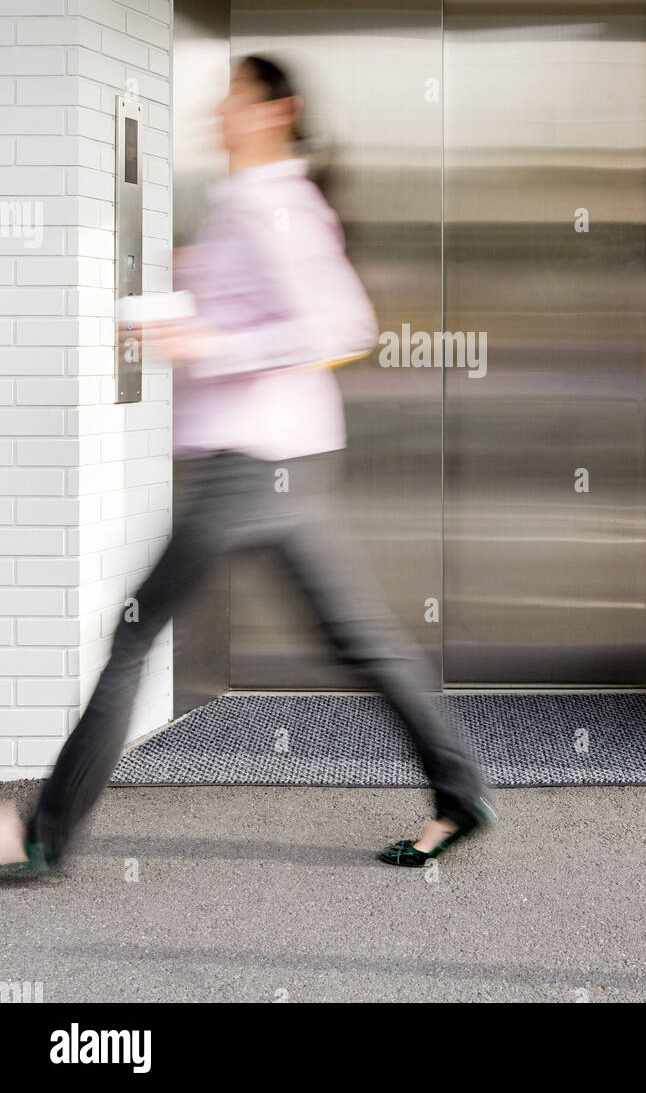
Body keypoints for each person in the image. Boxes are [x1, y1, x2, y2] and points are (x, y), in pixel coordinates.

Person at [0, 54, 494, 878]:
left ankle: (46, 836)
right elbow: (270, 307)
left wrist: (206, 341)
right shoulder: (248, 204)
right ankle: (459, 794)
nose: (218, 110)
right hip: (290, 461)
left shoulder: (277, 204)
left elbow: (341, 325)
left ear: (275, 109)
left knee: (132, 634)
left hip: (251, 464)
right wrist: (191, 304)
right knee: (360, 638)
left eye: (233, 96)